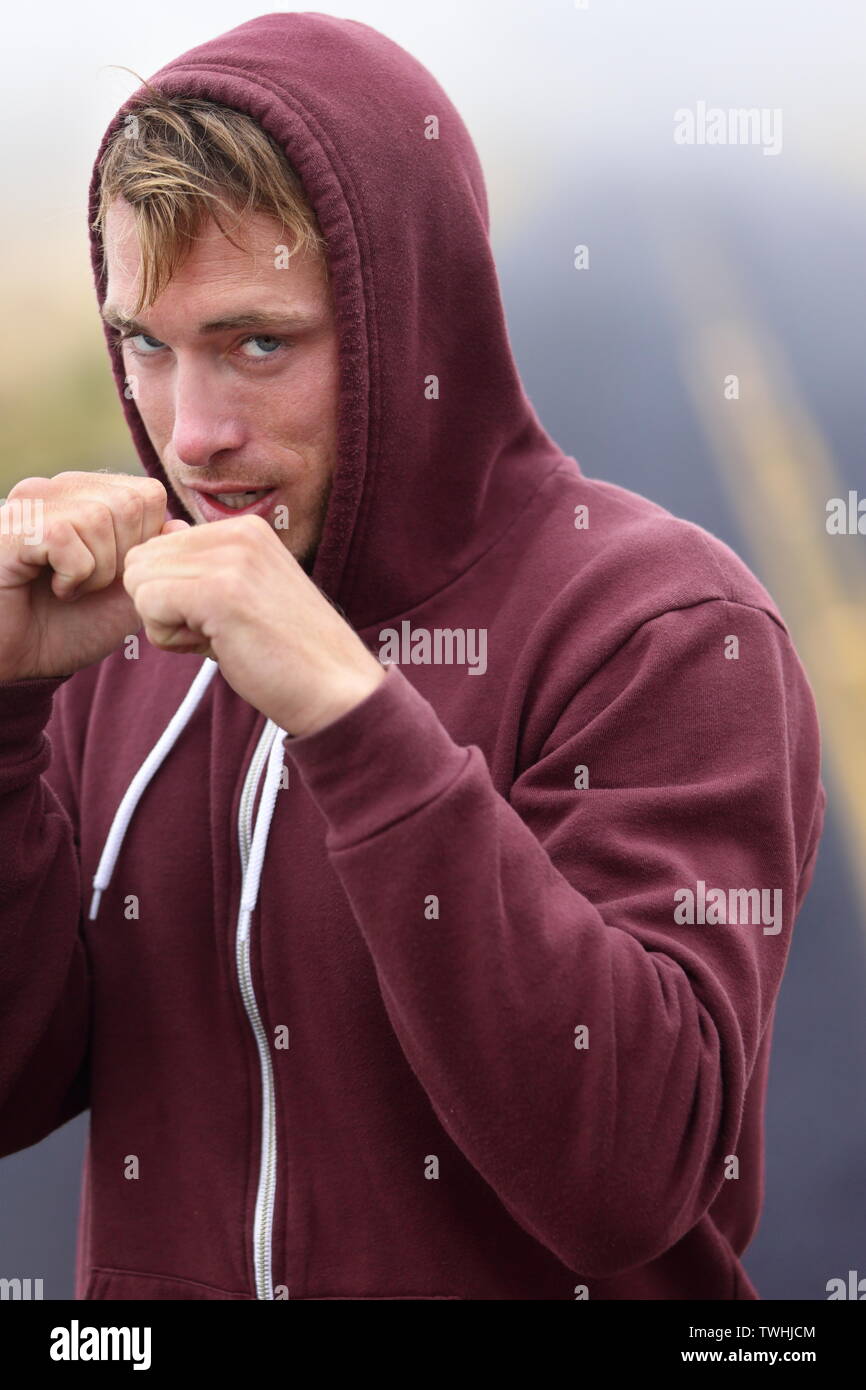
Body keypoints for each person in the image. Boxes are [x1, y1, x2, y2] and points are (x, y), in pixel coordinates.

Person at [0, 12, 824, 1301]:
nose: (192, 434)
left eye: (257, 342)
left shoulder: (666, 628)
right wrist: (2, 718)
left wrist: (350, 718)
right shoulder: (124, 623)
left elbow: (630, 1176)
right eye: (149, 347)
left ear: (412, 323)